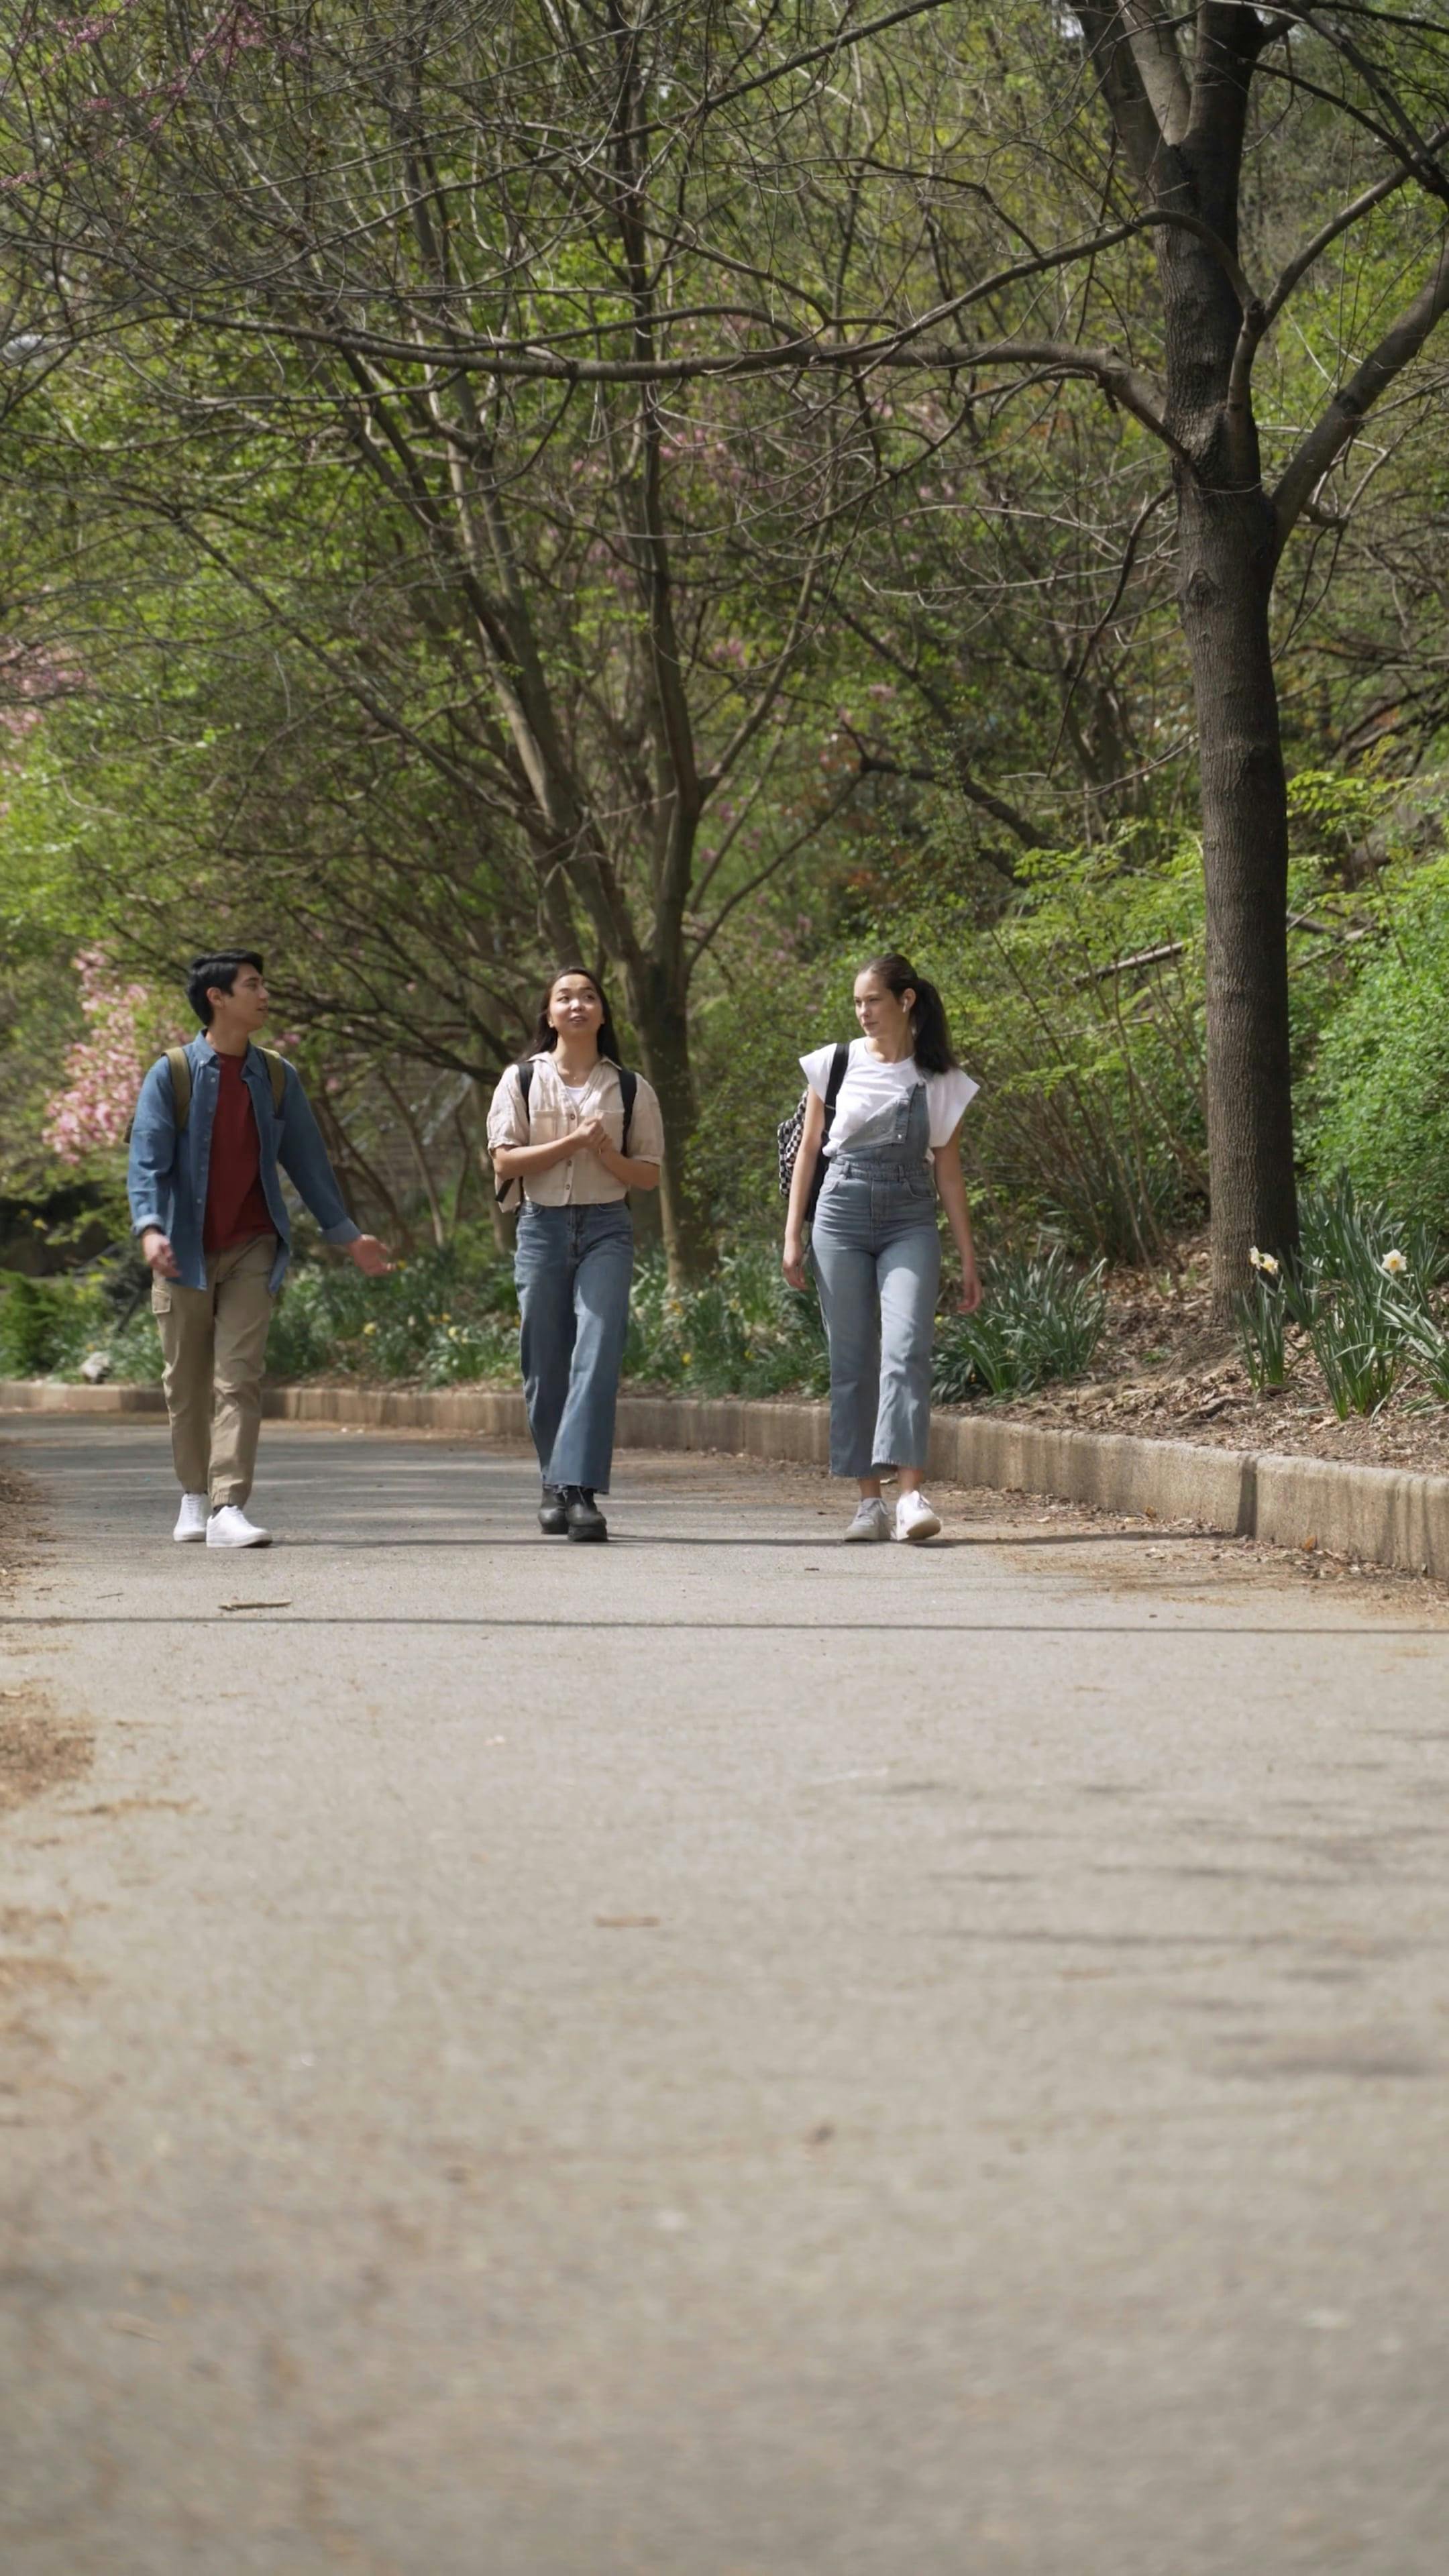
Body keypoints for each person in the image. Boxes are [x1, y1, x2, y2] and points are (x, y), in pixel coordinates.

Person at [127, 950, 390, 1548]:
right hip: (183, 1251)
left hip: (253, 1245)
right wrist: (150, 1228)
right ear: (217, 998)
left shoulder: (275, 1077)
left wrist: (347, 1235)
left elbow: (308, 1163)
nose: (264, 994)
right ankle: (193, 1496)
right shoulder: (172, 1074)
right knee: (185, 1383)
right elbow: (145, 1161)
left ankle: (227, 1506)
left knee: (238, 1379)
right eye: (253, 985)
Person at [784, 952, 981, 1543]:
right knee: (852, 1362)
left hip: (909, 1218)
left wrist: (968, 1257)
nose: (863, 1012)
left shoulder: (941, 1078)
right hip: (838, 1216)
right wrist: (792, 1235)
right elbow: (809, 1152)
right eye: (857, 1003)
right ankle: (867, 1502)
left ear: (906, 1000)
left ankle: (910, 1497)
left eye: (872, 1000)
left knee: (906, 1351)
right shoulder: (833, 1064)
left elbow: (949, 1173)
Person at [488, 965, 663, 1541]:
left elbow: (647, 1176)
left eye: (589, 996)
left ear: (603, 1013)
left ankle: (581, 1492)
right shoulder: (519, 1080)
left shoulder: (631, 1087)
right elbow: (504, 1162)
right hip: (540, 1227)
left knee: (598, 1349)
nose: (577, 1004)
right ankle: (552, 1481)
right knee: (544, 1359)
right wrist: (570, 1142)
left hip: (607, 1228)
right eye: (565, 997)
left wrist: (605, 1153)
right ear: (549, 1013)